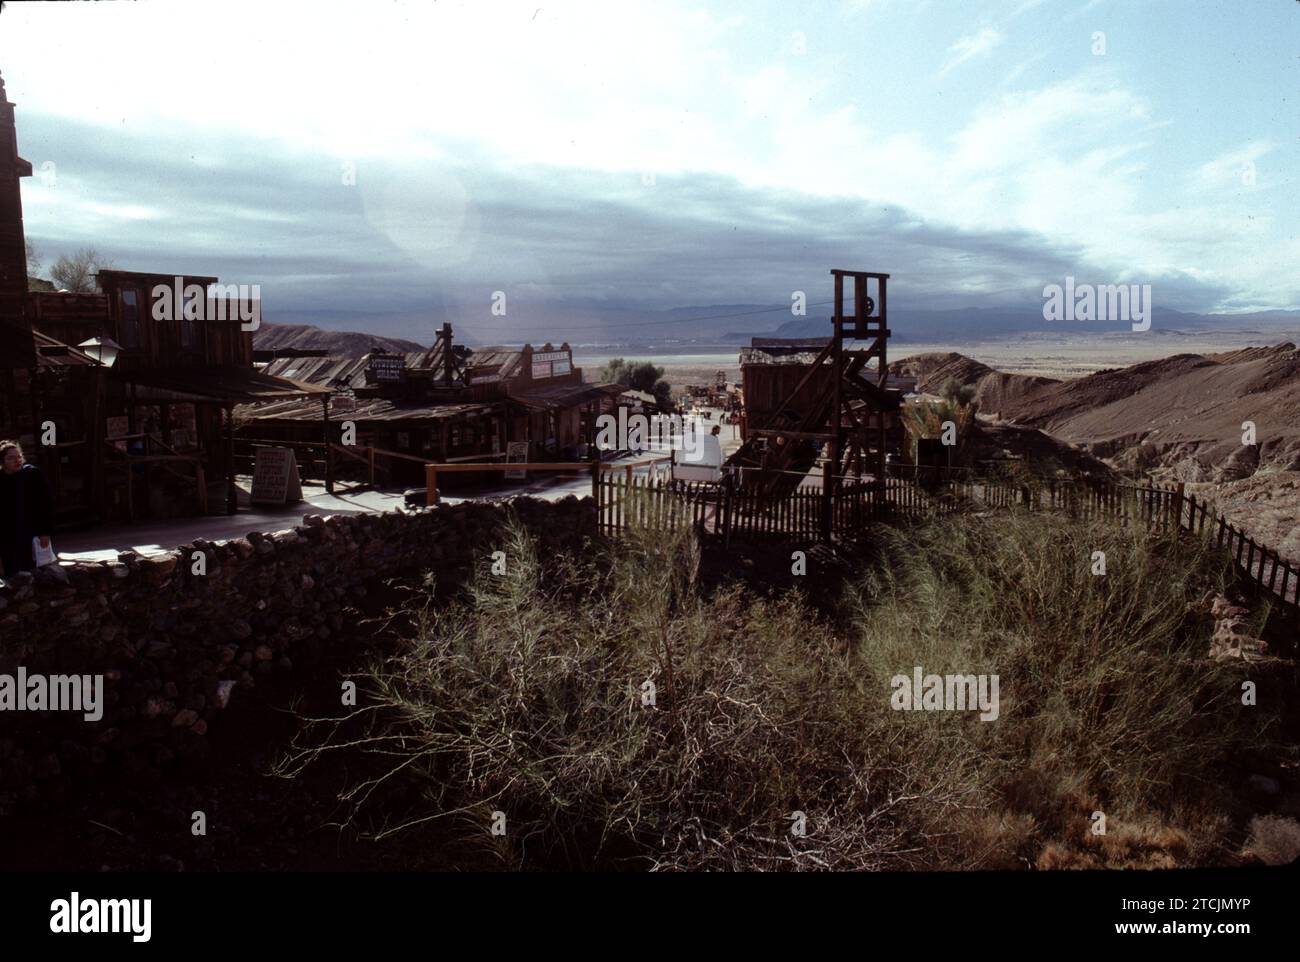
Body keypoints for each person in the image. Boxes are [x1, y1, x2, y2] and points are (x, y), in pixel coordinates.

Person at [0, 440, 54, 577]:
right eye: (11, 458)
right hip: (8, 536)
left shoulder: (32, 474)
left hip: (32, 533)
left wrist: (45, 532)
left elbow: (45, 504)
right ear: (2, 461)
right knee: (12, 575)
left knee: (35, 573)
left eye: (18, 456)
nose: (17, 460)